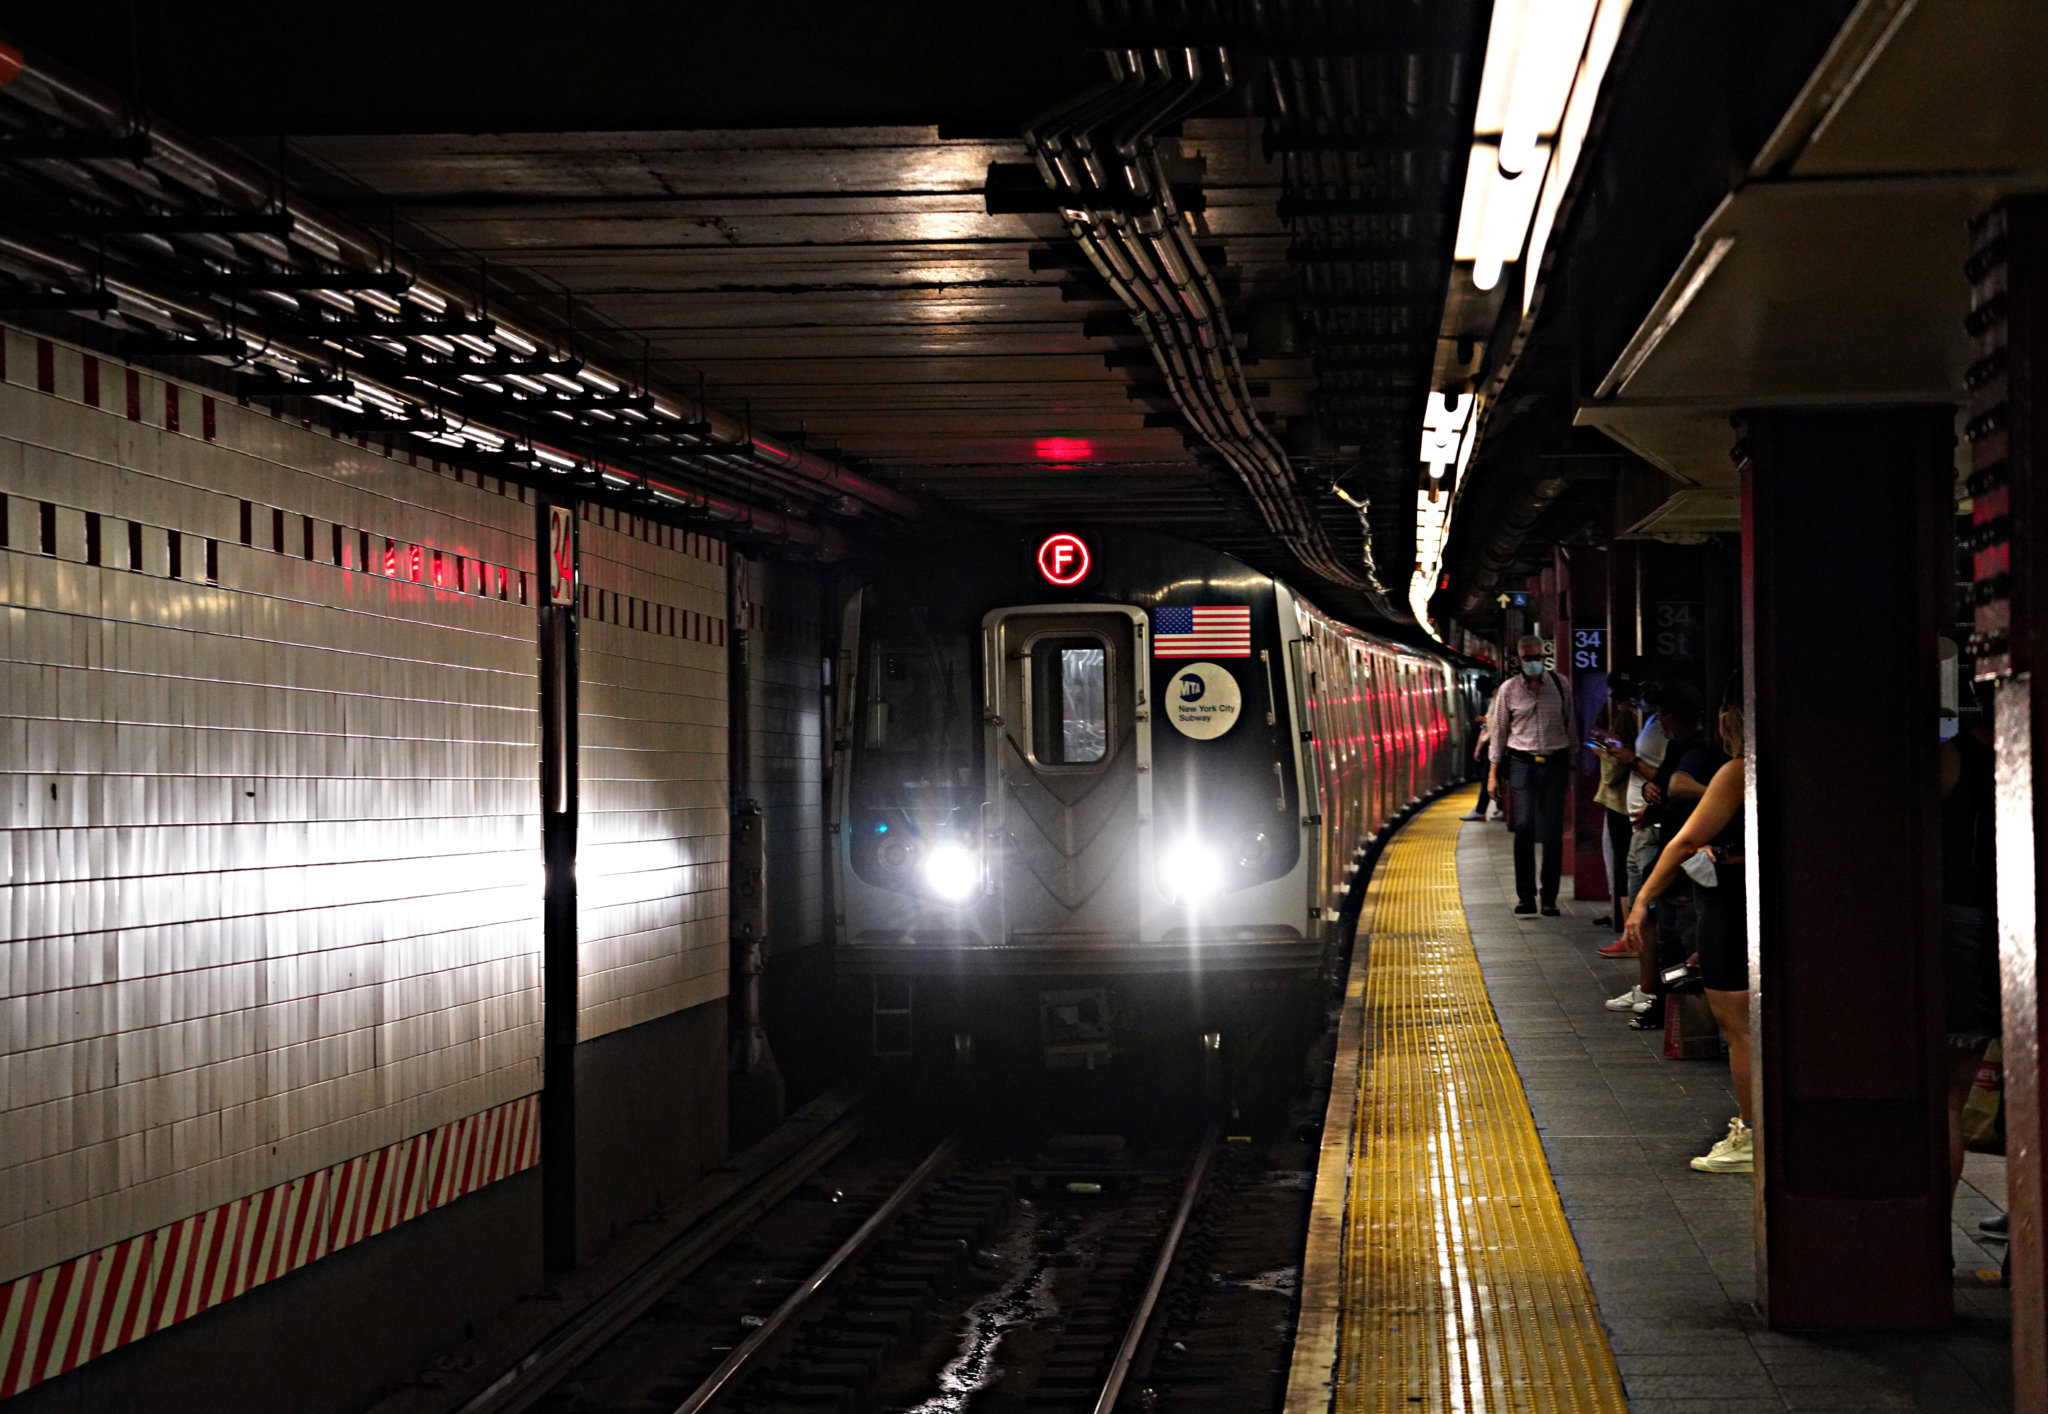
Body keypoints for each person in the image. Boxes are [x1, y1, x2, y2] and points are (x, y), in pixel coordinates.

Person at [1624, 687, 1749, 1172]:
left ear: (1728, 723)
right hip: (1754, 901)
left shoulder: (1737, 772)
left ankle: (1752, 1136)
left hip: (1731, 909)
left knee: (1738, 1026)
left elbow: (1684, 842)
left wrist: (1641, 901)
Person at [1939, 689, 2000, 1207]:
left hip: (1955, 921)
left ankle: (1930, 1233)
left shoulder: (1955, 754)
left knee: (1942, 1100)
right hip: (2002, 925)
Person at [1488, 636, 1575, 916]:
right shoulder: (1508, 690)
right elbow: (1499, 732)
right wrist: (1493, 774)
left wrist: (1572, 765)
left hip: (1554, 762)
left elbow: (1570, 725)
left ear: (1544, 657)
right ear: (1519, 660)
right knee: (1524, 826)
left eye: (1538, 657)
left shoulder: (1560, 685)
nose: (1534, 662)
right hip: (1521, 762)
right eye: (1529, 658)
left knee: (1551, 830)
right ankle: (1526, 896)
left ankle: (1549, 897)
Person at [1588, 671, 1642, 931]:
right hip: (1629, 798)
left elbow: (1614, 768)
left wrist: (1603, 753)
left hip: (1622, 800)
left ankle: (1626, 925)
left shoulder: (1625, 718)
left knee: (1623, 861)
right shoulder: (1634, 716)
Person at [1462, 714, 1495, 821]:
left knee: (1488, 779)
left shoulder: (1498, 702)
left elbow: (1486, 727)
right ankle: (1484, 810)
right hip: (1496, 747)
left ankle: (1480, 811)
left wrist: (1478, 748)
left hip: (1494, 747)